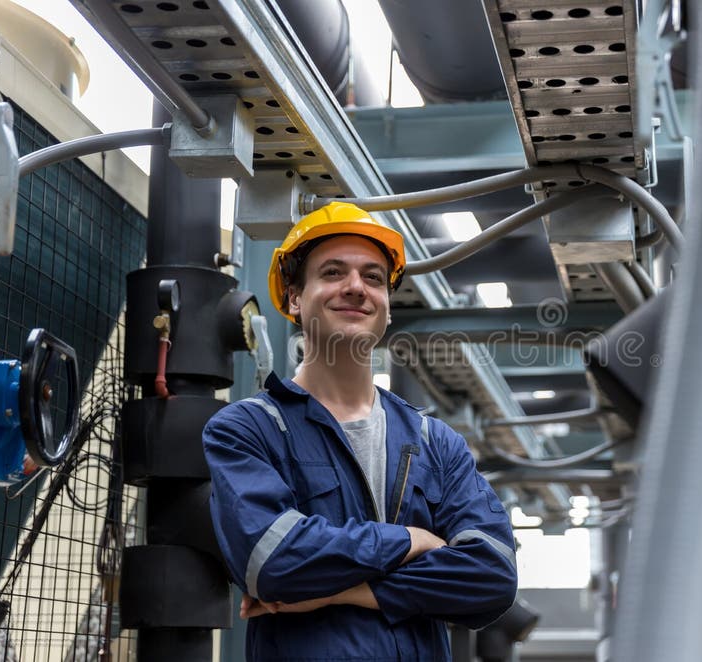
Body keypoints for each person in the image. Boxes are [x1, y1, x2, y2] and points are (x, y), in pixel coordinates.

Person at [203, 202, 518, 661]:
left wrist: (340, 592)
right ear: (294, 298)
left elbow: (491, 575)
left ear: (387, 308)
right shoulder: (247, 430)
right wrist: (412, 540)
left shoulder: (436, 442)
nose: (355, 288)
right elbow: (271, 562)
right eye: (333, 273)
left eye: (373, 278)